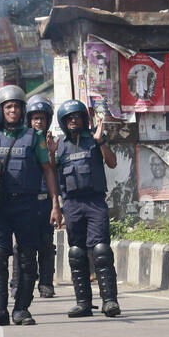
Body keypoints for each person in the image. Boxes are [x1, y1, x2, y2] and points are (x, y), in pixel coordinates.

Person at [0, 85, 61, 326]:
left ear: (22, 110)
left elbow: (48, 170)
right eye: (8, 107)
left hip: (27, 205)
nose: (12, 111)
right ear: (0, 111)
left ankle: (22, 309)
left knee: (27, 258)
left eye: (16, 106)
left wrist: (55, 204)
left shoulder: (34, 137)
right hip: (0, 206)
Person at [56, 99, 120, 318]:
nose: (74, 120)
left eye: (77, 116)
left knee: (101, 250)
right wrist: (55, 207)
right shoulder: (59, 145)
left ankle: (110, 301)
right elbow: (52, 178)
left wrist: (101, 142)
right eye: (69, 118)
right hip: (72, 204)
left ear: (84, 119)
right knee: (76, 253)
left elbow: (112, 163)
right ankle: (83, 303)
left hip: (94, 202)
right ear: (63, 122)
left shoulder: (94, 140)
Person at [25, 94, 58, 299]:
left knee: (46, 243)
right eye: (35, 118)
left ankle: (46, 283)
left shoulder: (52, 141)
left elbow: (52, 171)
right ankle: (18, 283)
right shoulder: (24, 140)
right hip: (26, 200)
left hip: (45, 199)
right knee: (23, 245)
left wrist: (52, 151)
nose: (39, 122)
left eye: (42, 118)